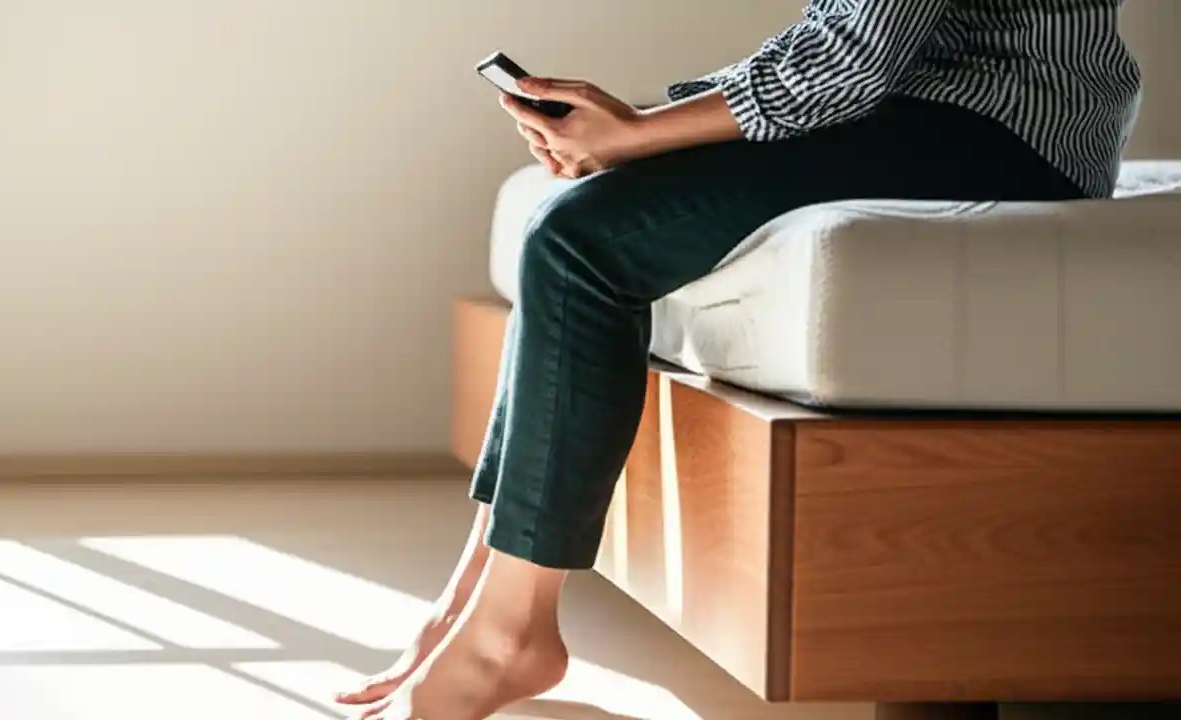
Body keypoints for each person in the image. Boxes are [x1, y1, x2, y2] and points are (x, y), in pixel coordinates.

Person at [339, 1, 1141, 718]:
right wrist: (645, 124)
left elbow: (855, 58)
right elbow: (843, 39)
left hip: (1003, 132)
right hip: (937, 111)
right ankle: (468, 608)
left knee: (580, 243)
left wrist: (644, 133)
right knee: (563, 225)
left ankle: (506, 637)